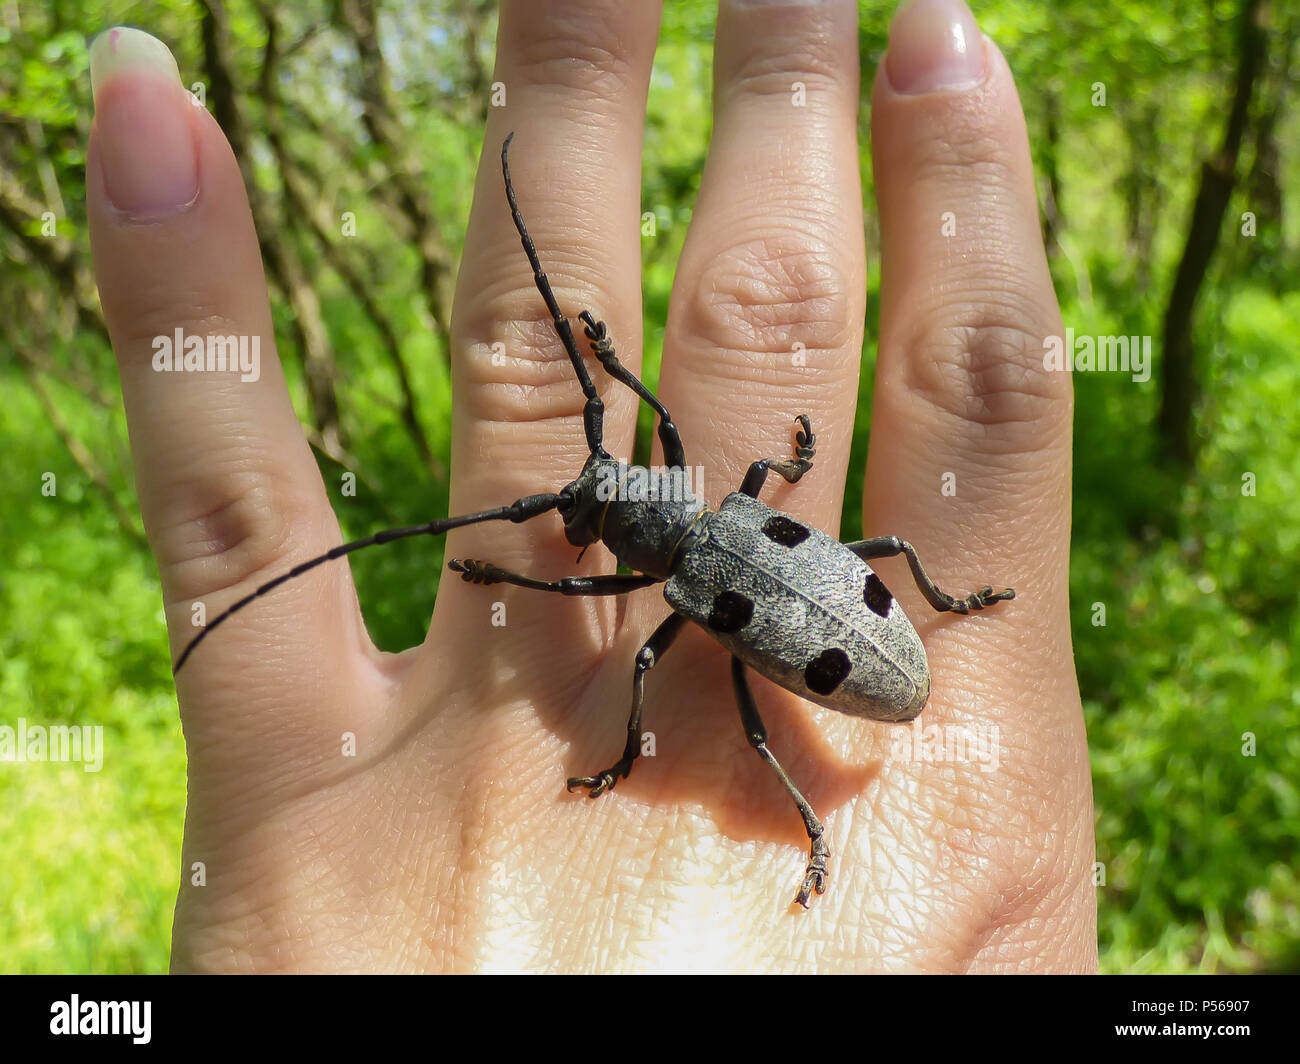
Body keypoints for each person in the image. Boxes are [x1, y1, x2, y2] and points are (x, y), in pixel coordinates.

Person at [86, 0, 1095, 972]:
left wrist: (514, 570)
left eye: (596, 490)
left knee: (722, 693)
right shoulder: (723, 508)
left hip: (867, 651)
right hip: (848, 639)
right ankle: (865, 723)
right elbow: (659, 452)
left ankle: (820, 803)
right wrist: (637, 388)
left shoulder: (686, 577)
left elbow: (601, 592)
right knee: (800, 630)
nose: (586, 489)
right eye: (596, 492)